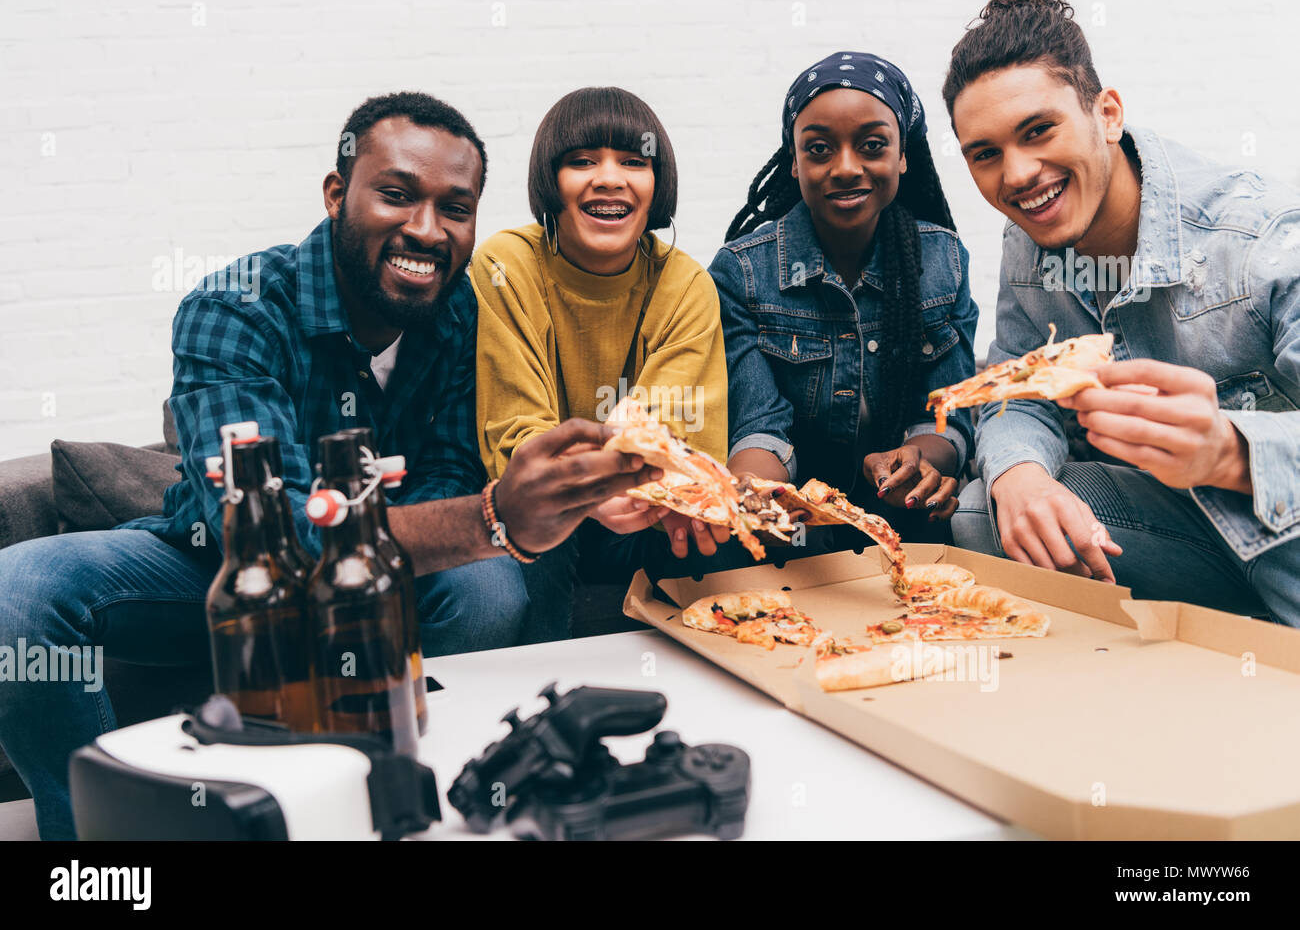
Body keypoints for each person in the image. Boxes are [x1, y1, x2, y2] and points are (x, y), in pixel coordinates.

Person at [0, 92, 660, 839]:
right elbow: (261, 526)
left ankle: (403, 810)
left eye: (456, 207)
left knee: (487, 588)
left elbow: (447, 478)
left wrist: (517, 512)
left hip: (384, 587)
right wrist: (490, 517)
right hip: (223, 573)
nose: (426, 229)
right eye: (398, 194)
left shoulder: (459, 314)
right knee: (18, 591)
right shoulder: (237, 305)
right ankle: (94, 849)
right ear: (337, 193)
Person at [943, 0, 1300, 625]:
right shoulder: (1032, 235)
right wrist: (1018, 474)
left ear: (1106, 114)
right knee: (984, 509)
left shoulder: (1261, 237)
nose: (1018, 174)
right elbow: (1016, 383)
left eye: (1039, 130)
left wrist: (1232, 449)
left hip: (1290, 537)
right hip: (1194, 536)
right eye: (986, 154)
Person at [470, 86, 729, 639]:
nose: (610, 177)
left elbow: (672, 431)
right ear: (551, 182)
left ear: (658, 185)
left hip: (643, 503)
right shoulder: (504, 265)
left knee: (706, 534)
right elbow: (515, 430)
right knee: (541, 530)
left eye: (633, 162)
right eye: (582, 161)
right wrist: (587, 491)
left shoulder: (685, 283)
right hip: (541, 502)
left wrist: (625, 483)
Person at [709, 51, 979, 562]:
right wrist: (758, 499)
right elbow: (757, 423)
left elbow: (947, 414)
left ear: (904, 155)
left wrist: (920, 461)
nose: (846, 167)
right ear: (794, 161)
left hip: (907, 528)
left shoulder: (945, 261)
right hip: (792, 537)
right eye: (819, 149)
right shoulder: (741, 273)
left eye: (873, 145)